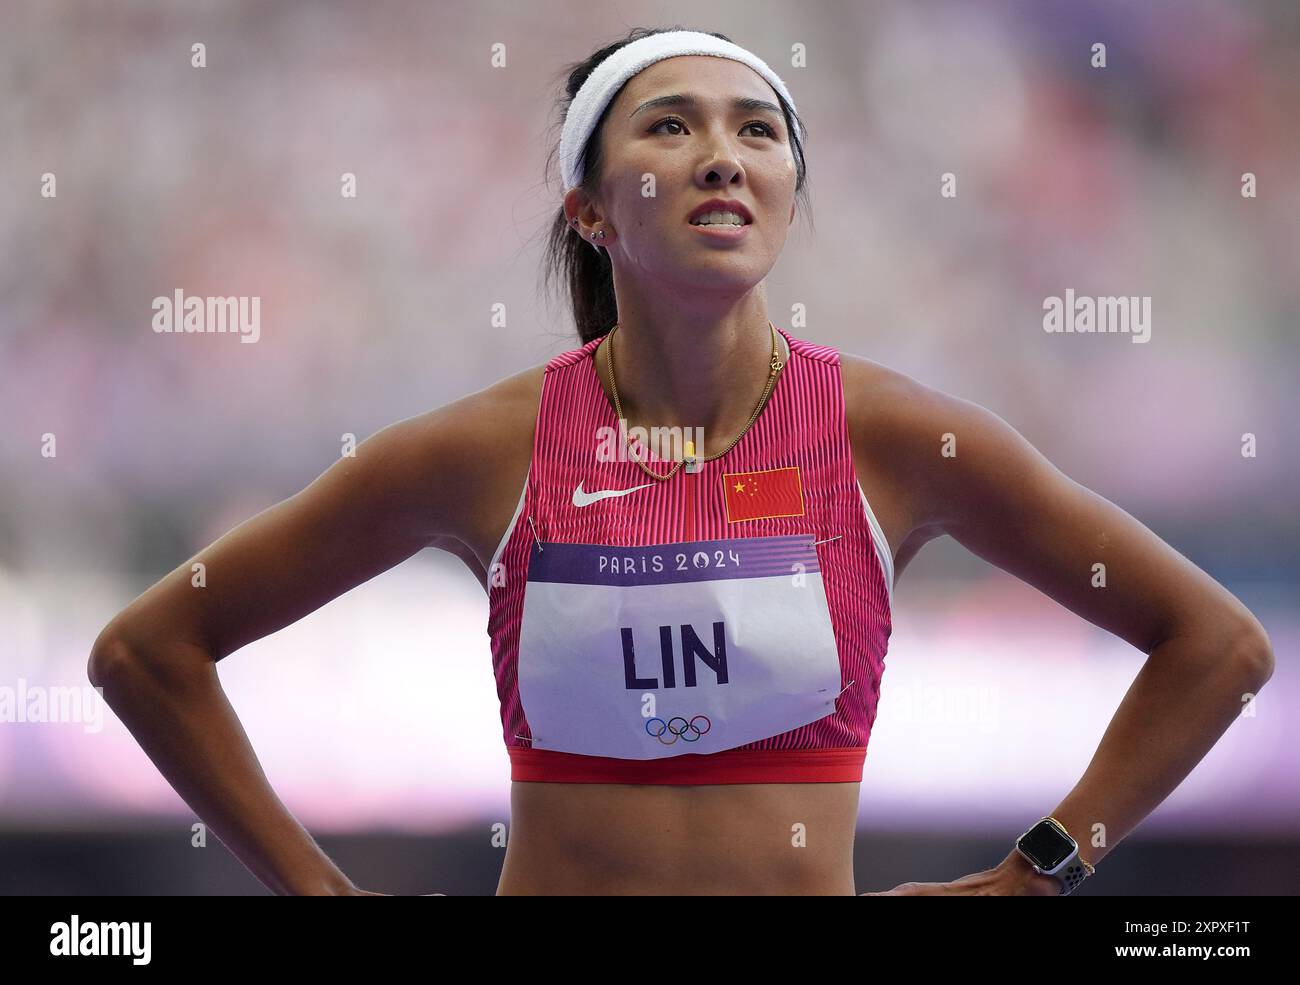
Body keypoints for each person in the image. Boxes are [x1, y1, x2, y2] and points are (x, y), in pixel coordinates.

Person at [88, 26, 1274, 896]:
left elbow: (1215, 647)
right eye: (672, 124)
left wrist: (1037, 874)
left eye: (756, 130)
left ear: (785, 192)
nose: (722, 154)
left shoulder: (897, 437)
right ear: (592, 210)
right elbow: (148, 651)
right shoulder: (480, 452)